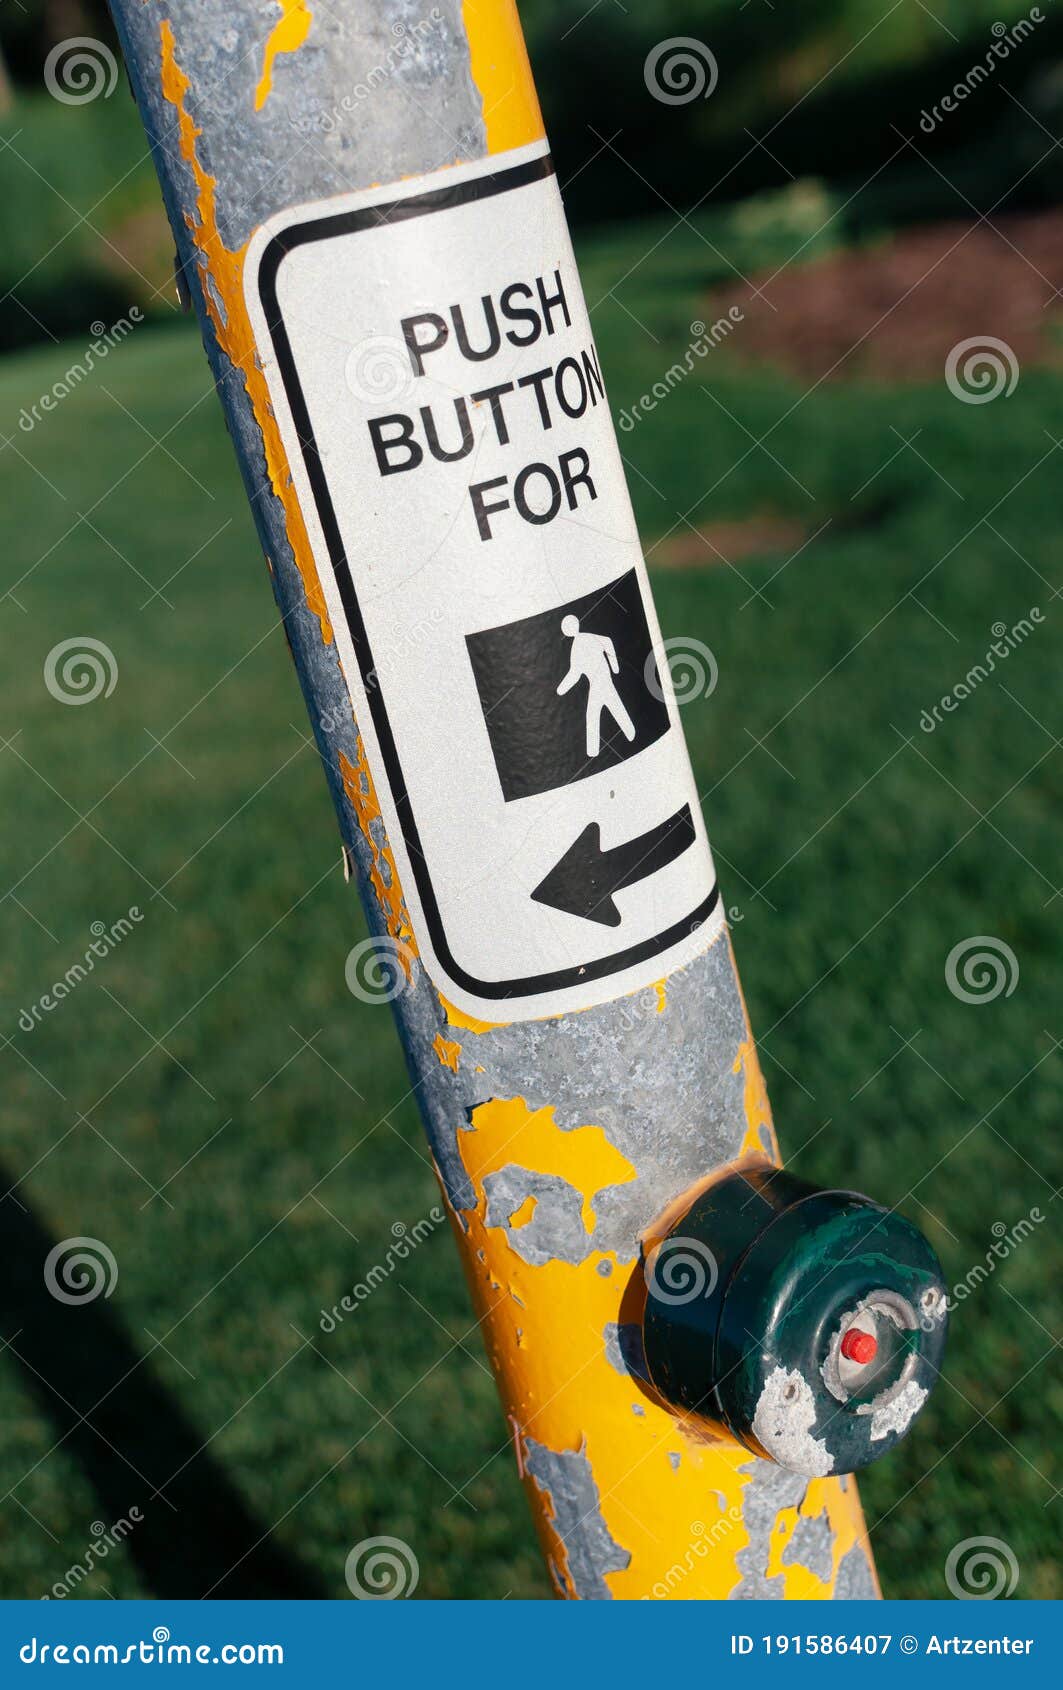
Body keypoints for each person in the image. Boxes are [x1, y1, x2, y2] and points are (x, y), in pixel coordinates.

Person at [556, 614, 636, 759]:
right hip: (600, 682)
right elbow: (575, 673)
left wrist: (614, 665)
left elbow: (607, 642)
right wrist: (561, 689)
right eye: (567, 627)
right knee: (612, 707)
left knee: (595, 713)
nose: (569, 629)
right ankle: (630, 733)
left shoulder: (583, 641)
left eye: (569, 626)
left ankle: (595, 750)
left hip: (601, 682)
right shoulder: (578, 646)